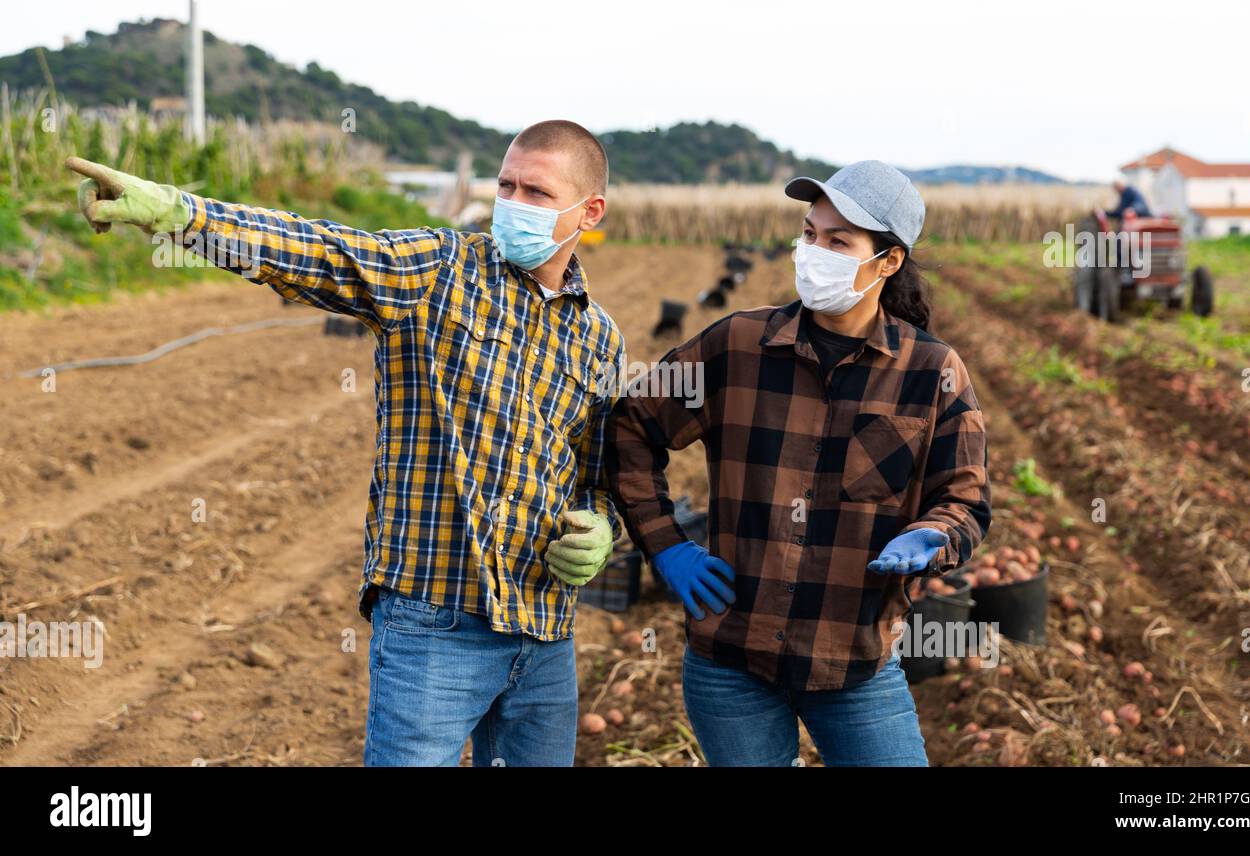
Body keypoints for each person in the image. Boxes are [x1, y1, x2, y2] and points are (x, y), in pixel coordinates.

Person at [66, 119, 625, 767]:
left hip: (545, 632)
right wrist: (179, 213)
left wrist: (601, 524)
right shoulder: (438, 273)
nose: (513, 205)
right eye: (506, 186)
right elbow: (320, 251)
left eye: (537, 193)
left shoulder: (599, 337)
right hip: (435, 624)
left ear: (590, 212)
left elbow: (601, 469)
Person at [608, 160, 991, 766]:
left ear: (888, 261)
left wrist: (933, 534)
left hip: (855, 664)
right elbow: (630, 426)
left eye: (839, 241)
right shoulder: (736, 345)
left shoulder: (932, 371)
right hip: (730, 661)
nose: (814, 251)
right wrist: (666, 545)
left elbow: (964, 498)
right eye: (810, 234)